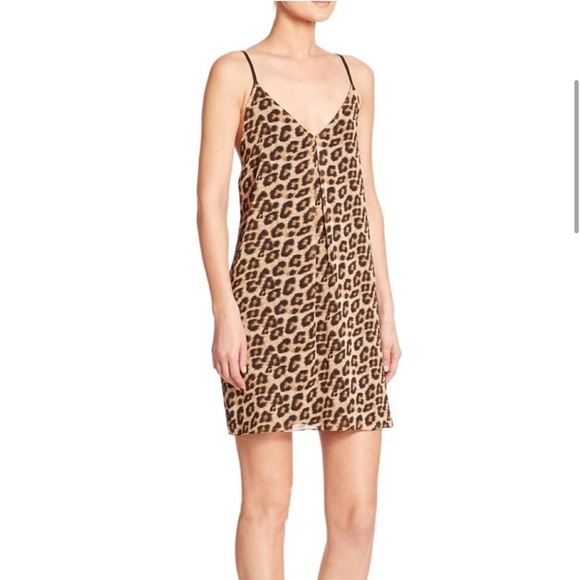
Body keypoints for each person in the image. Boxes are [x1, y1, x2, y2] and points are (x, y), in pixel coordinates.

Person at [196, 1, 401, 578]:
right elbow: (210, 202)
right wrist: (224, 312)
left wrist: (386, 313)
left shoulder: (358, 76)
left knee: (358, 517)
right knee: (269, 505)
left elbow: (367, 197)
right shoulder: (235, 71)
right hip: (265, 307)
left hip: (351, 306)